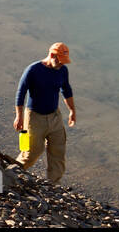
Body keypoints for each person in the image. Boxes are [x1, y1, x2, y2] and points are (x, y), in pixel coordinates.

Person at [13, 42, 77, 184]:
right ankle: (11, 173)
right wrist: (19, 116)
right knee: (31, 152)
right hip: (34, 118)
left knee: (58, 151)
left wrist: (72, 110)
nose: (62, 64)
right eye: (60, 61)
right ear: (52, 55)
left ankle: (53, 184)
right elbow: (20, 93)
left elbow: (66, 90)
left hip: (55, 116)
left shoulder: (62, 70)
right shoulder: (33, 70)